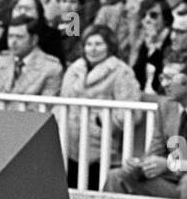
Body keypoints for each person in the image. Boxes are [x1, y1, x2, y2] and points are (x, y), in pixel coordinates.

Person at [108, 53, 187, 199]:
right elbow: (156, 151)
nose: (164, 84)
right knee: (117, 176)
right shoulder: (165, 106)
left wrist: (171, 165)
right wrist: (142, 164)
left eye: (171, 78)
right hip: (170, 180)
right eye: (162, 78)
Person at [60, 25, 141, 186]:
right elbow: (63, 102)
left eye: (99, 44)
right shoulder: (74, 69)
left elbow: (132, 112)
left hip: (102, 151)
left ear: (109, 46)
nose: (93, 49)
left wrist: (101, 121)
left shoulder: (121, 71)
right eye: (89, 44)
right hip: (68, 146)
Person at [0, 16, 65, 101]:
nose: (13, 42)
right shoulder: (1, 60)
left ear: (34, 40)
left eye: (19, 37)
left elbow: (46, 106)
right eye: (10, 36)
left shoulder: (51, 68)